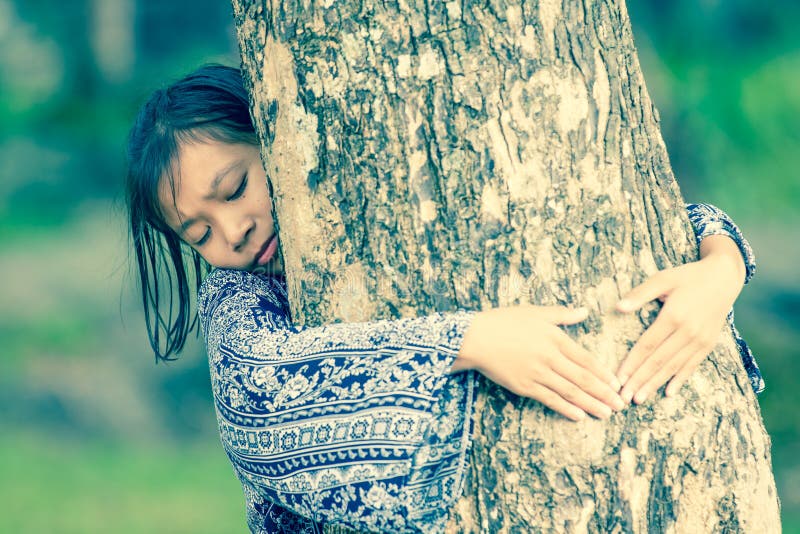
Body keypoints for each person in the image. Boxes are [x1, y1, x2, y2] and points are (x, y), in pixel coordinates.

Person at [125, 65, 763, 533]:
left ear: (278, 142)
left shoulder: (378, 198)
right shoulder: (238, 296)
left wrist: (721, 264)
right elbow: (257, 406)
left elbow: (585, 221)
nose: (232, 233)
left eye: (234, 189)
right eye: (199, 233)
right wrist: (466, 341)